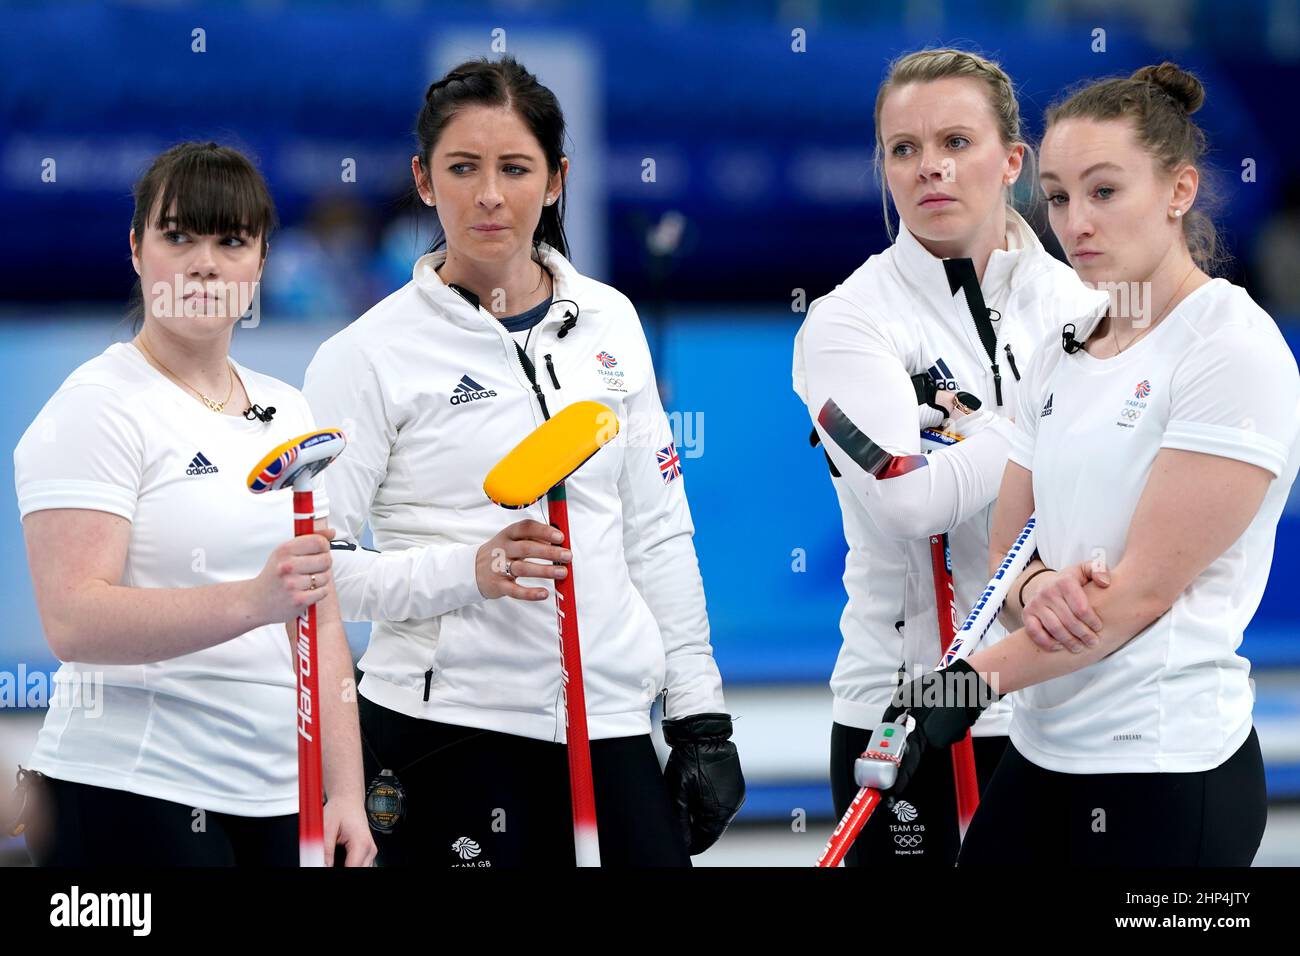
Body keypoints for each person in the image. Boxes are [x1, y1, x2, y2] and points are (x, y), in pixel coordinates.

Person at [302, 57, 745, 867]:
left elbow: (658, 533)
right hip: (445, 734)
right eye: (463, 169)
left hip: (607, 726)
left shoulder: (610, 321)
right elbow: (315, 572)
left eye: (515, 168)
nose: (490, 195)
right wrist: (465, 570)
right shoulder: (365, 355)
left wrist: (699, 717)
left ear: (556, 179)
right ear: (423, 180)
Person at [882, 63, 1299, 866]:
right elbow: (1007, 554)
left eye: (1104, 192)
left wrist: (970, 683)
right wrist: (1037, 586)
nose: (1074, 221)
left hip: (1166, 769)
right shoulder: (1062, 348)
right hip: (1044, 754)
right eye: (1061, 196)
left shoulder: (1229, 347)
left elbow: (1139, 592)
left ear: (1179, 190)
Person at [12, 142, 375, 867]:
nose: (205, 263)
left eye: (231, 240)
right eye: (179, 236)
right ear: (137, 249)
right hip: (130, 787)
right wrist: (252, 599)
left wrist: (345, 793)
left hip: (279, 793)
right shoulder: (96, 407)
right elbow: (74, 621)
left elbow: (321, 615)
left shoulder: (289, 405)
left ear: (263, 263)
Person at [793, 47, 1108, 867]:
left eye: (957, 143)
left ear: (1013, 161)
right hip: (910, 709)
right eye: (904, 149)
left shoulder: (1086, 306)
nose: (930, 168)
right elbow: (908, 501)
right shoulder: (847, 321)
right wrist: (1028, 426)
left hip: (1062, 699)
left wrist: (976, 435)